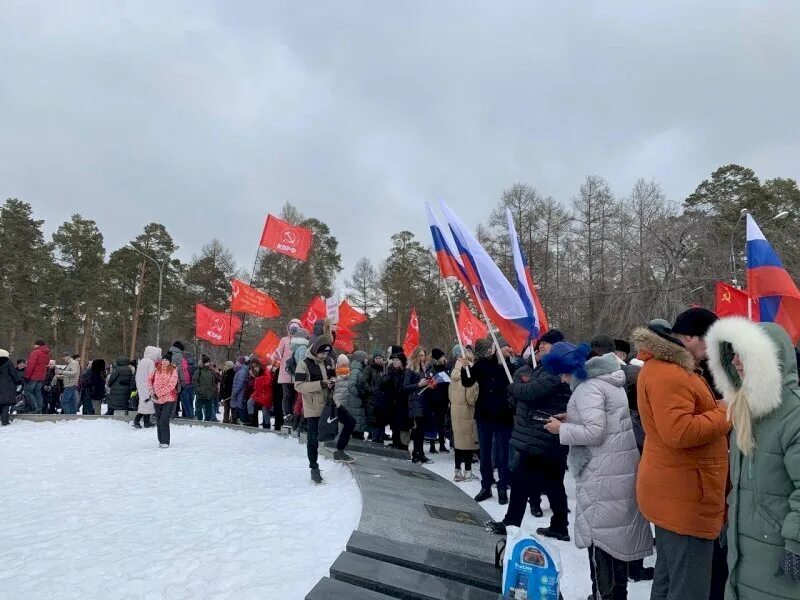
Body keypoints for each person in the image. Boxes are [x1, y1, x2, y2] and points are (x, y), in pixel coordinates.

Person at [541, 341, 653, 600]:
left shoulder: (588, 387)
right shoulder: (606, 380)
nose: (560, 377)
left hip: (602, 473)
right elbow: (607, 420)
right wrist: (572, 419)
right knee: (615, 545)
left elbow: (595, 431)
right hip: (616, 469)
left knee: (602, 546)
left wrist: (561, 430)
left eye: (561, 371)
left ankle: (605, 596)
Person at [631, 314, 729, 600]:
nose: (712, 349)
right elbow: (679, 432)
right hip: (684, 496)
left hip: (676, 491)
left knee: (669, 577)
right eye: (709, 340)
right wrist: (727, 411)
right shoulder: (669, 373)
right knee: (688, 587)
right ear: (689, 338)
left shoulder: (670, 368)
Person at [704, 318, 800, 598]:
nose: (734, 361)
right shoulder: (746, 410)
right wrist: (733, 518)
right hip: (747, 552)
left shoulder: (794, 415)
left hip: (779, 555)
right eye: (731, 353)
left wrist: (796, 544)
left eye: (743, 354)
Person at [487, 330, 571, 539]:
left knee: (523, 481)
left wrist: (515, 388)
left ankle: (512, 523)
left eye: (547, 343)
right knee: (551, 483)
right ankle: (559, 525)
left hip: (540, 434)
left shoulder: (556, 368)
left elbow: (531, 392)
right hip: (538, 433)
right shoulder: (546, 367)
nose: (541, 346)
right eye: (541, 343)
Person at [294, 335, 356, 484]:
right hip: (313, 405)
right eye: (322, 353)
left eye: (327, 353)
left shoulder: (329, 361)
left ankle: (340, 450)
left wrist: (334, 381)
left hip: (330, 402)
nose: (324, 356)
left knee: (350, 421)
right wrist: (320, 384)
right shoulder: (304, 364)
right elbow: (298, 386)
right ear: (316, 350)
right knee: (313, 438)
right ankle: (314, 468)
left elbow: (334, 376)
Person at [461, 338, 513, 505]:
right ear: (496, 349)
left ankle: (503, 487)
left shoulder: (511, 367)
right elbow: (467, 382)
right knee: (485, 451)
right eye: (507, 347)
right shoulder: (482, 365)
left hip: (504, 415)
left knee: (504, 452)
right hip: (484, 414)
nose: (510, 350)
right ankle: (486, 486)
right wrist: (465, 368)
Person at [449, 345, 478, 481]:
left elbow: (449, 394)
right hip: (467, 412)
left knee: (459, 443)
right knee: (468, 444)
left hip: (455, 411)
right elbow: (471, 399)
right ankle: (467, 471)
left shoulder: (454, 372)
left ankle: (457, 471)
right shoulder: (469, 370)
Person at [404, 346, 435, 464]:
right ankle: (416, 454)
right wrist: (418, 384)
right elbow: (405, 387)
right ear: (416, 356)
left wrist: (432, 384)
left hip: (426, 401)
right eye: (420, 355)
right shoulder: (410, 369)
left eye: (424, 355)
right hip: (416, 401)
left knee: (422, 429)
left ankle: (421, 453)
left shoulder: (428, 367)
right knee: (418, 429)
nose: (422, 358)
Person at [275, 318, 303, 428]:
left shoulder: (303, 340)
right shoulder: (284, 340)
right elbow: (278, 351)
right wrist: (276, 354)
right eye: (292, 328)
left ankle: (296, 417)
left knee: (297, 396)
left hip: (298, 373)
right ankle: (287, 416)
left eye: (296, 328)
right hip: (285, 373)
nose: (293, 330)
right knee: (287, 395)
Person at [150, 352, 179, 448]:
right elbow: (149, 380)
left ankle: (166, 441)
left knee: (164, 419)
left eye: (166, 360)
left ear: (170, 361)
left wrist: (158, 393)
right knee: (158, 420)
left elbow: (171, 385)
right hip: (157, 400)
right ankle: (161, 440)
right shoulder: (156, 369)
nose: (164, 361)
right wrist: (151, 391)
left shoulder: (173, 370)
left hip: (168, 399)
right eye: (163, 359)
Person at [385, 346, 410, 449]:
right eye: (393, 360)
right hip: (394, 402)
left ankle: (403, 445)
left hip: (404, 403)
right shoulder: (394, 372)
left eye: (396, 360)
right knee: (395, 422)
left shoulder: (406, 372)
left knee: (403, 425)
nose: (394, 362)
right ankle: (395, 441)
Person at [428, 348, 451, 454]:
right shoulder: (432, 369)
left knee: (442, 423)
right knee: (433, 423)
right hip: (433, 400)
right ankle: (432, 445)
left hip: (443, 400)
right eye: (442, 357)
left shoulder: (446, 369)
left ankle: (442, 444)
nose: (444, 359)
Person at [134, 346, 159, 428]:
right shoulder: (150, 362)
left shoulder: (142, 361)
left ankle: (146, 421)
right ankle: (138, 421)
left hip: (141, 385)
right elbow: (151, 375)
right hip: (147, 386)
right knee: (147, 403)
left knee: (145, 403)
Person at [23, 339, 51, 413]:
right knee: (37, 392)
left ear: (38, 345)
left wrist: (26, 376)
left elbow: (31, 365)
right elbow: (47, 363)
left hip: (33, 375)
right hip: (41, 376)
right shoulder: (47, 353)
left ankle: (35, 408)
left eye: (34, 344)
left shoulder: (35, 352)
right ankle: (40, 408)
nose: (33, 346)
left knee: (28, 391)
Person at [365, 351, 387, 443]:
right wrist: (371, 390)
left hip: (383, 399)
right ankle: (374, 440)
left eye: (380, 358)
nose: (378, 360)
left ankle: (380, 440)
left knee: (382, 421)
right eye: (376, 358)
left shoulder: (385, 369)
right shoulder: (369, 368)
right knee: (374, 421)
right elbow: (363, 382)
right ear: (374, 359)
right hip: (372, 399)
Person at [192, 355, 218, 422]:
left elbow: (213, 382)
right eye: (207, 362)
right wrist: (199, 390)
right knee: (198, 409)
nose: (209, 363)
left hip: (209, 394)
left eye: (209, 362)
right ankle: (199, 421)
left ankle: (207, 422)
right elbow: (194, 381)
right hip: (200, 395)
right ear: (204, 363)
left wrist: (213, 390)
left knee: (209, 410)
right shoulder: (198, 371)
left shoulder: (210, 371)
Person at [0, 349, 22, 426]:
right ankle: (5, 421)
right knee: (5, 404)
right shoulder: (8, 362)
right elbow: (13, 373)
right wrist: (19, 381)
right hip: (7, 386)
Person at [251, 359, 274, 429]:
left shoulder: (266, 371)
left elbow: (267, 381)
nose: (255, 368)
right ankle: (254, 420)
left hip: (266, 394)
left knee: (265, 410)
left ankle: (267, 425)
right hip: (260, 394)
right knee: (251, 403)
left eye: (255, 366)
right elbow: (256, 387)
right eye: (253, 367)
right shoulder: (257, 373)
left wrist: (257, 379)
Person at [230, 357, 249, 425]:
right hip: (238, 393)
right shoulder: (239, 370)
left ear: (241, 363)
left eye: (237, 362)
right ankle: (238, 421)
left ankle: (242, 421)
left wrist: (235, 392)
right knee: (237, 407)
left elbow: (240, 384)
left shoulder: (242, 372)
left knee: (239, 407)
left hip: (240, 394)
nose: (236, 363)